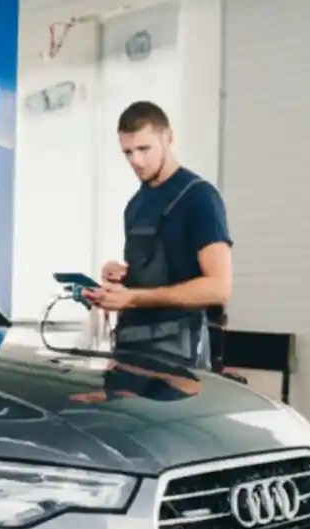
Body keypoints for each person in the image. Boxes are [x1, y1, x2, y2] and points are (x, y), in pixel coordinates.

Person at [83, 101, 233, 370]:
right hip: (133, 350)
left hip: (182, 359)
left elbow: (219, 287)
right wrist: (121, 278)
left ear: (168, 138)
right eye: (127, 152)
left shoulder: (200, 198)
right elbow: (159, 272)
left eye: (144, 149)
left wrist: (133, 298)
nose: (136, 160)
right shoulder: (135, 205)